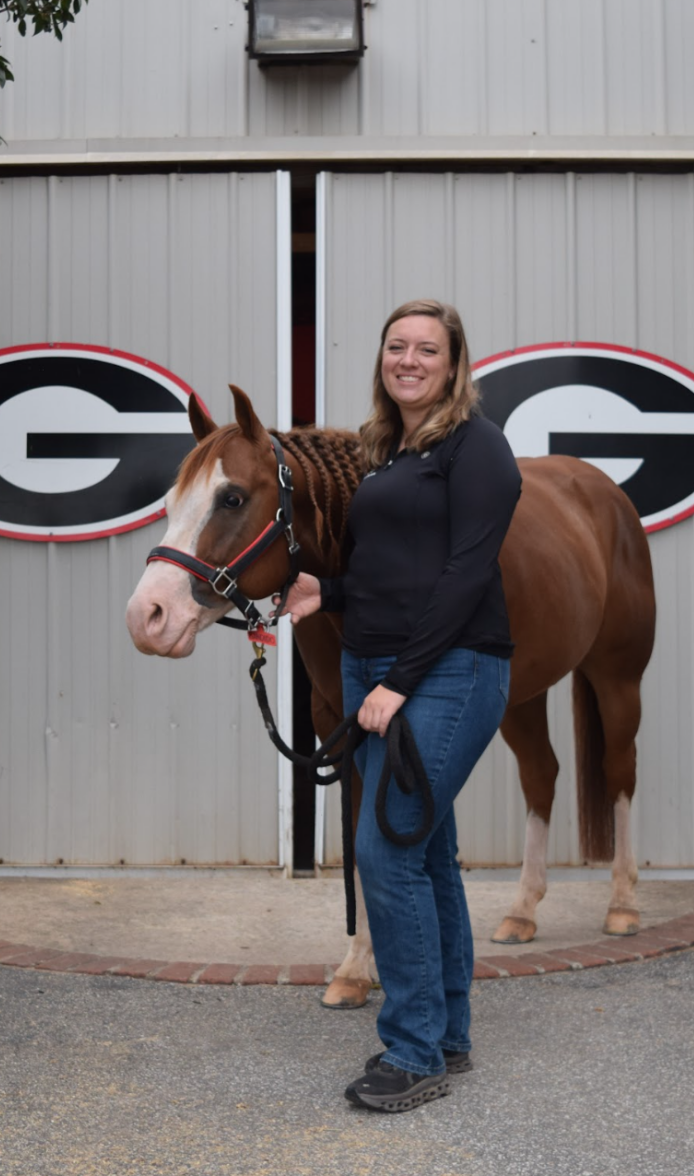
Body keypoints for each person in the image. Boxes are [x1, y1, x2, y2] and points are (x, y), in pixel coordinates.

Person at [282, 298, 521, 1113]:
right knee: (425, 851)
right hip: (375, 664)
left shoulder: (477, 447)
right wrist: (327, 589)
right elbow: (395, 572)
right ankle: (447, 1037)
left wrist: (400, 681)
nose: (409, 360)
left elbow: (464, 576)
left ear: (454, 364)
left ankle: (412, 1051)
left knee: (385, 849)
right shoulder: (384, 453)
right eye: (396, 347)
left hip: (451, 669)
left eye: (427, 349)